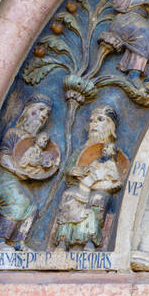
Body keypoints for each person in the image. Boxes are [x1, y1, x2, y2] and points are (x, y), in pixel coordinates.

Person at [0, 96, 59, 249]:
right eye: (41, 110)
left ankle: (17, 242)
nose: (43, 116)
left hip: (18, 182)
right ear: (28, 110)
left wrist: (49, 165)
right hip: (2, 180)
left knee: (32, 206)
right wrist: (17, 171)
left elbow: (39, 166)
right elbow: (4, 158)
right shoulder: (14, 133)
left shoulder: (38, 144)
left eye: (47, 114)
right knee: (20, 201)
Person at [52, 103, 124, 249]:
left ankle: (90, 241)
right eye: (91, 121)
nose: (94, 124)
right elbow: (69, 170)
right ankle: (63, 240)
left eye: (100, 120)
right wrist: (73, 171)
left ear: (110, 126)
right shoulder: (82, 150)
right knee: (68, 195)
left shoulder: (113, 152)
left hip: (100, 189)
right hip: (80, 188)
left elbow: (116, 176)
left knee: (97, 199)